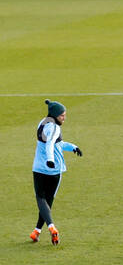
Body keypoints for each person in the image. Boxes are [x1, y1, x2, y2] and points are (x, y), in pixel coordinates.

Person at [30, 99, 82, 245]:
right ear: (54, 115)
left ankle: (36, 231)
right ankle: (51, 228)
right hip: (53, 169)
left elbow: (57, 144)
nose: (64, 118)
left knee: (41, 200)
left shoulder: (42, 123)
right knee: (47, 200)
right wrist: (51, 159)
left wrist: (73, 147)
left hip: (39, 168)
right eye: (62, 116)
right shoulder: (55, 128)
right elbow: (50, 144)